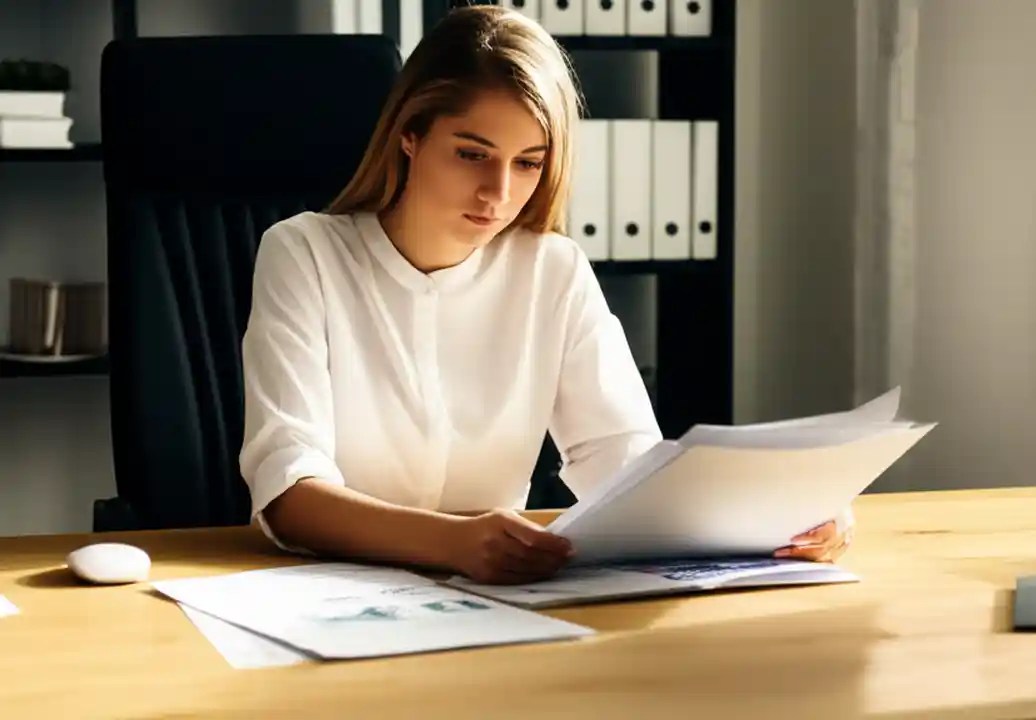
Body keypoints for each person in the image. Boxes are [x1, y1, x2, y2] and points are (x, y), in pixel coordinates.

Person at [238, 5, 852, 585]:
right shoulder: (304, 254)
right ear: (410, 136)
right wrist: (454, 543)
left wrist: (780, 515)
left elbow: (627, 462)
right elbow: (289, 494)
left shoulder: (551, 270)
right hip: (328, 595)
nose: (498, 193)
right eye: (472, 154)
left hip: (496, 604)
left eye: (528, 163)